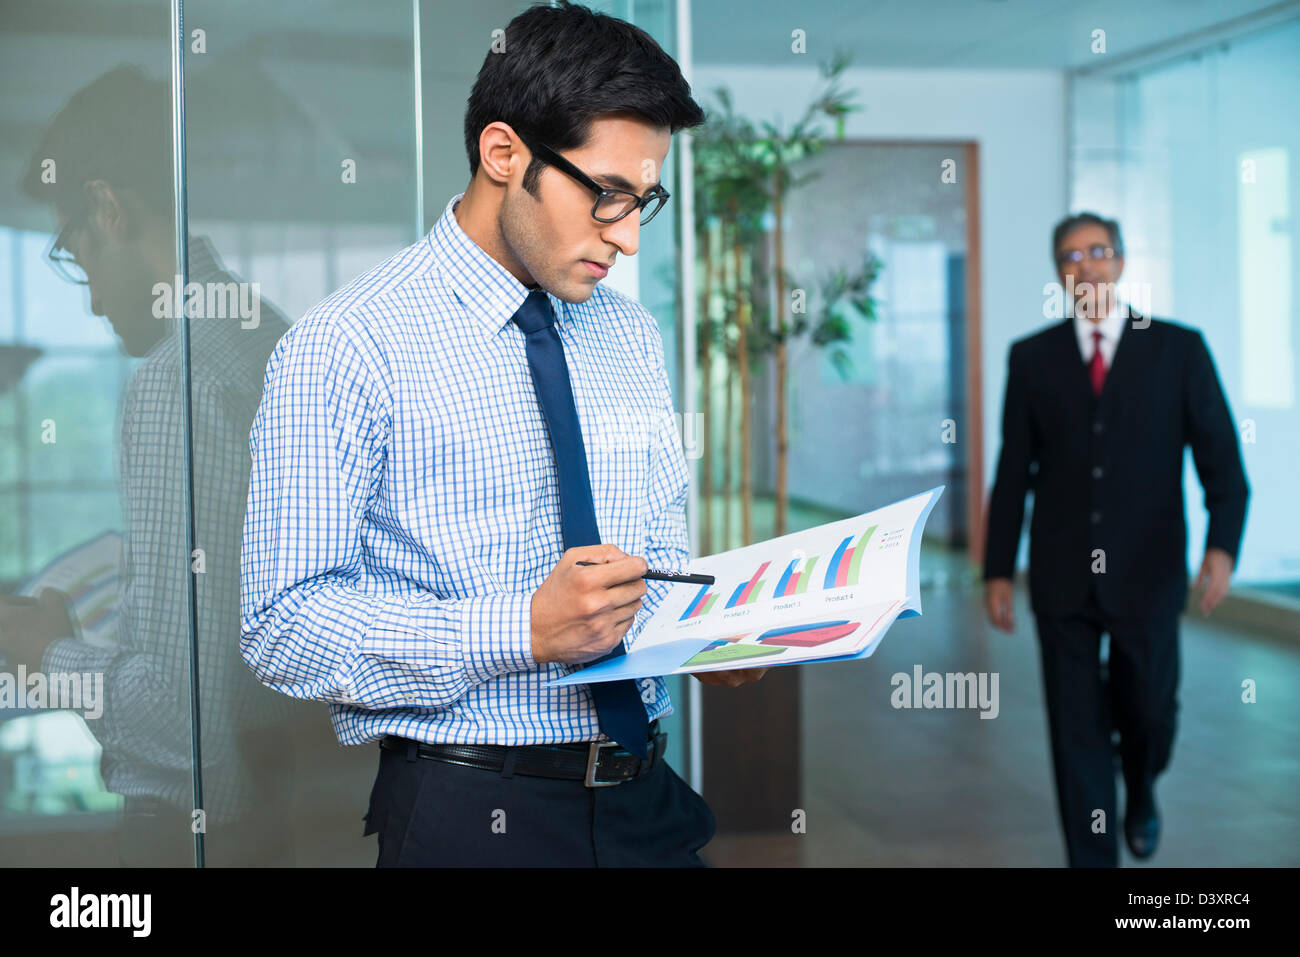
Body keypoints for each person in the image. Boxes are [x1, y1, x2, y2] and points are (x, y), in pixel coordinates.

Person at [240, 0, 765, 868]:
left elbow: (653, 552)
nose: (627, 238)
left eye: (646, 201)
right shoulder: (347, 347)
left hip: (649, 803)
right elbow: (284, 625)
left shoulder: (629, 335)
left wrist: (709, 634)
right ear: (503, 153)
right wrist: (521, 628)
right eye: (607, 196)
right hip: (472, 813)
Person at [6, 64, 302, 865]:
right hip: (286, 812)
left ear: (108, 206)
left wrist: (43, 656)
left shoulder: (176, 382)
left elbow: (185, 723)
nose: (94, 298)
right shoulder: (269, 336)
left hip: (197, 835)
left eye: (78, 251)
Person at [983, 211, 1249, 867]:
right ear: (1060, 275)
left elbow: (1222, 460)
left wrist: (1221, 546)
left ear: (1122, 262)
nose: (1087, 265)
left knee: (1150, 712)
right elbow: (1013, 468)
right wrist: (996, 568)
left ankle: (1142, 790)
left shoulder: (1178, 349)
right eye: (1072, 257)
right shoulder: (1032, 356)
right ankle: (1092, 856)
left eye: (1099, 251)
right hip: (1061, 574)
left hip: (1151, 572)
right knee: (1076, 729)